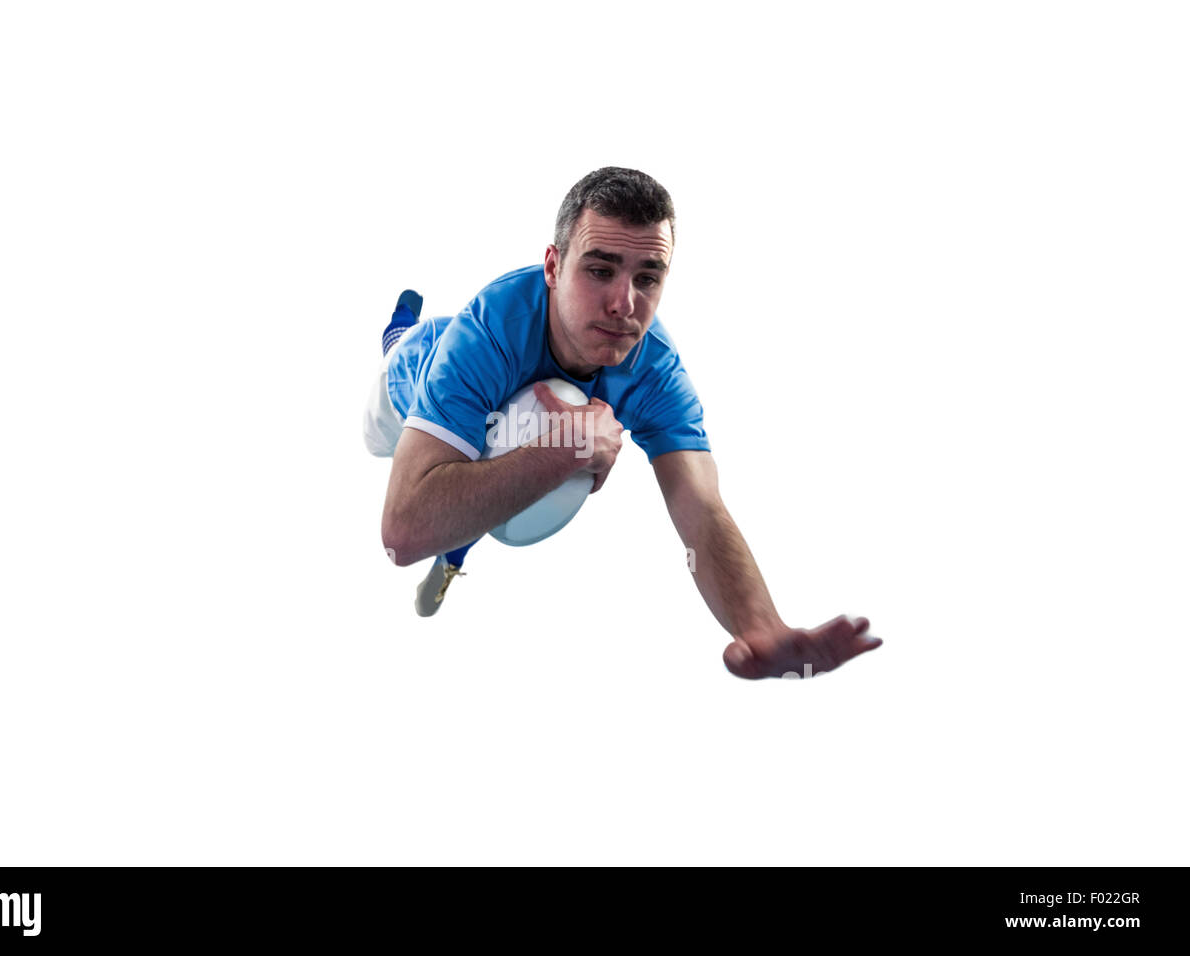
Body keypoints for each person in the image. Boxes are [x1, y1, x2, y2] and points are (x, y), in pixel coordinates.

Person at [362, 167, 882, 679]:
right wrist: (570, 446)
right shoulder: (485, 335)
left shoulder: (654, 365)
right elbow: (403, 534)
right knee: (410, 381)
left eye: (648, 277)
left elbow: (699, 506)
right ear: (552, 267)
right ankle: (398, 329)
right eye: (600, 269)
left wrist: (762, 626)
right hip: (413, 377)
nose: (623, 304)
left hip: (494, 423)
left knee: (497, 456)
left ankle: (453, 558)